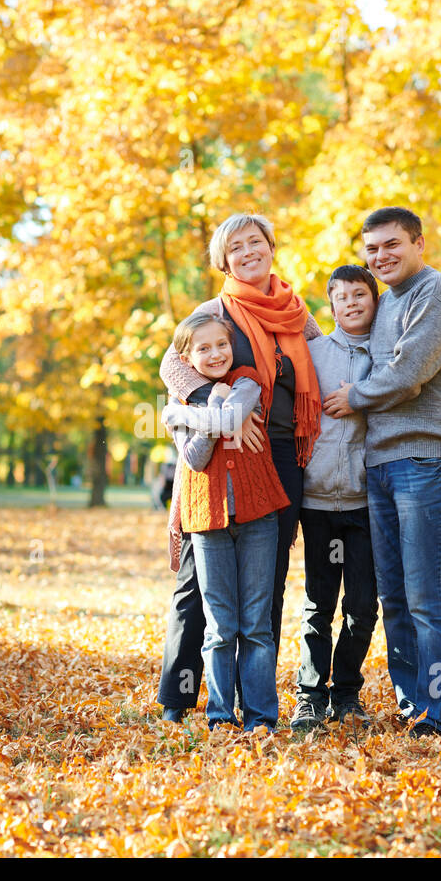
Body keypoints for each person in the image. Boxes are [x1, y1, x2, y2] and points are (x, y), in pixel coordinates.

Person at [157, 213, 441, 724]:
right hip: (223, 455)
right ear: (223, 259)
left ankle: (262, 704)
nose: (248, 252)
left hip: (286, 456)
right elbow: (172, 363)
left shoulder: (295, 313)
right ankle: (179, 697)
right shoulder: (215, 310)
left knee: (273, 578)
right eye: (235, 247)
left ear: (271, 248)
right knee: (201, 581)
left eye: (256, 242)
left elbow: (380, 355)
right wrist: (213, 404)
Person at [323, 207, 441, 737]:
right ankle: (414, 702)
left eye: (393, 245)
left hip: (427, 459)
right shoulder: (383, 303)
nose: (382, 256)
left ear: (419, 244)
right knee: (394, 594)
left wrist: (354, 397)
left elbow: (408, 374)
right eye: (373, 249)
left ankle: (440, 710)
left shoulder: (438, 292)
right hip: (381, 462)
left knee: (429, 594)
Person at [161, 310, 289, 731]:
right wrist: (208, 413)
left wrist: (185, 417)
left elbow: (233, 418)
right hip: (206, 516)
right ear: (186, 357)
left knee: (255, 624)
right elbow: (196, 458)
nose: (216, 353)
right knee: (219, 625)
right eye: (203, 348)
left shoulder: (247, 379)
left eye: (221, 344)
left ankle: (260, 718)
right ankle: (219, 715)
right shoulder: (182, 396)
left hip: (257, 514)